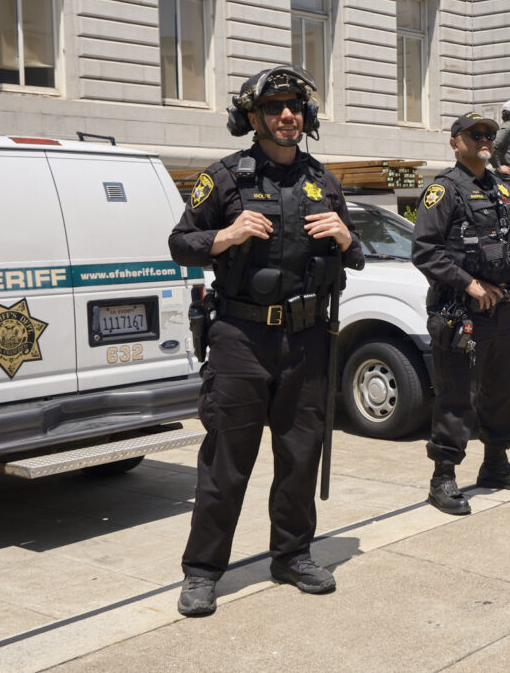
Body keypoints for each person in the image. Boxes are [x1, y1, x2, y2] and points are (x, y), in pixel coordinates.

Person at [169, 65, 365, 617]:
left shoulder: (322, 180)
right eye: (276, 108)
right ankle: (204, 571)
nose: (287, 116)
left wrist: (348, 238)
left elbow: (354, 256)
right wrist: (225, 236)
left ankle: (293, 555)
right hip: (240, 337)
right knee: (227, 460)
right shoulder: (225, 177)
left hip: (306, 339)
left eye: (295, 108)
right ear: (253, 117)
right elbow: (179, 242)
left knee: (300, 455)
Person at [412, 111, 510, 514]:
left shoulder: (503, 190)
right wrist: (468, 282)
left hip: (503, 309)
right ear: (455, 142)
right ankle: (443, 477)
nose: (484, 139)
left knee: (504, 390)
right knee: (457, 396)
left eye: (488, 133)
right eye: (474, 134)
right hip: (461, 312)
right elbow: (425, 251)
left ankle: (496, 464)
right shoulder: (444, 190)